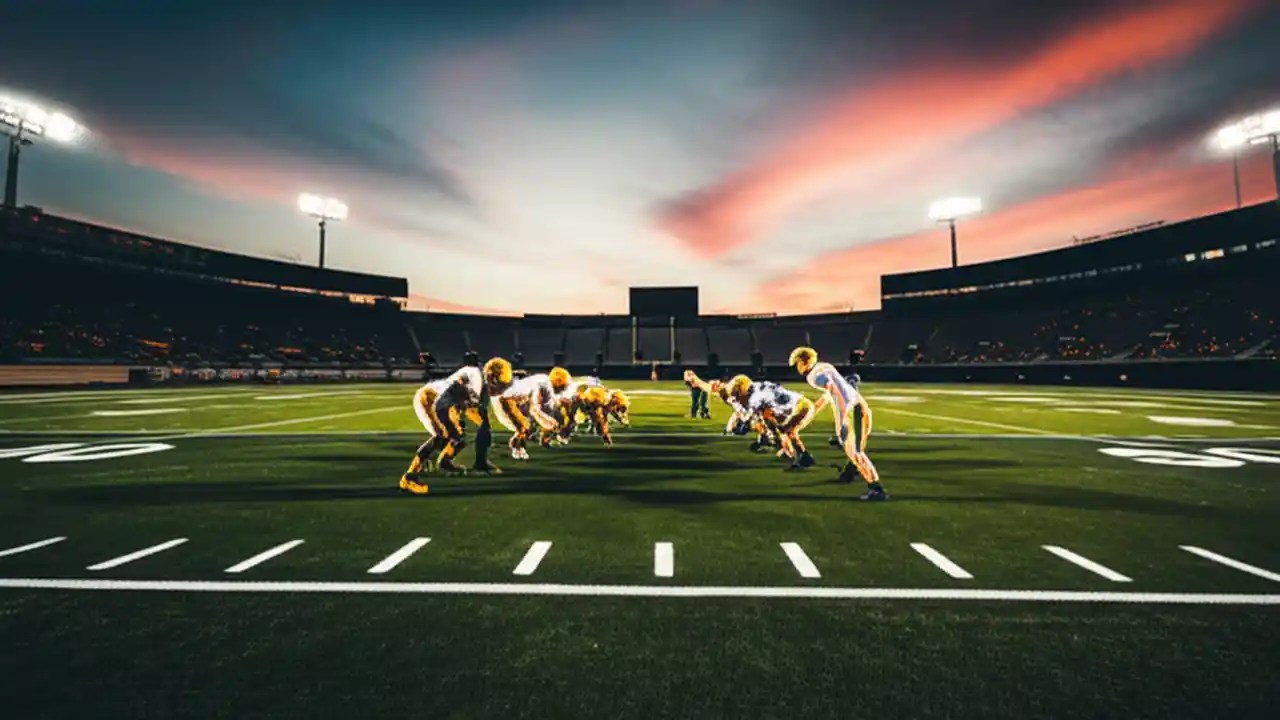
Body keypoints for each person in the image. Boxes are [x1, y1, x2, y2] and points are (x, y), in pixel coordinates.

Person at [400, 357, 513, 495]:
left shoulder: (481, 384)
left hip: (443, 401)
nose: (501, 389)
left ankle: (445, 462)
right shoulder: (475, 377)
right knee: (443, 436)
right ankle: (410, 476)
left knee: (459, 436)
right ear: (492, 378)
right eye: (500, 384)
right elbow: (459, 394)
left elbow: (479, 416)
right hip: (430, 397)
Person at [789, 346, 887, 500]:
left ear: (803, 362)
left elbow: (833, 389)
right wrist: (814, 410)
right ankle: (851, 471)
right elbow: (830, 393)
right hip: (861, 406)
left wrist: (842, 419)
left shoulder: (813, 376)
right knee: (855, 451)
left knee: (855, 453)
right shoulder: (824, 366)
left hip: (851, 410)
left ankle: (876, 489)